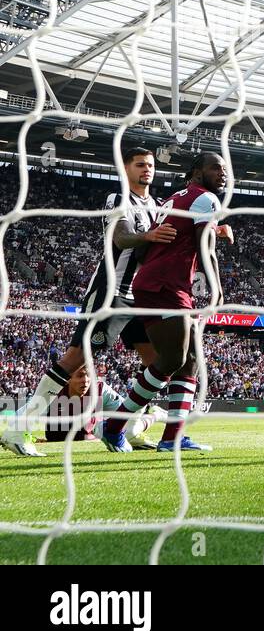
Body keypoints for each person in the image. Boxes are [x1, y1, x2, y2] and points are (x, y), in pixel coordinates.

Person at [2, 147, 169, 457]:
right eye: (140, 164)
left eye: (150, 165)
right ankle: (18, 426)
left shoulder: (156, 206)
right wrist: (149, 237)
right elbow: (121, 238)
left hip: (140, 297)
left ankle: (128, 428)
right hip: (110, 292)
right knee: (74, 360)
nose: (147, 169)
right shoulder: (118, 198)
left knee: (159, 363)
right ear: (125, 167)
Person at [97, 152, 234, 453]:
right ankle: (115, 424)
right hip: (166, 286)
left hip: (157, 282)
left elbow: (148, 251)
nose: (223, 174)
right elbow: (204, 246)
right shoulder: (205, 199)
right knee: (172, 360)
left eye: (225, 170)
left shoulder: (173, 200)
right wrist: (217, 288)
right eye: (216, 168)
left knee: (191, 362)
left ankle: (172, 437)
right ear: (197, 172)